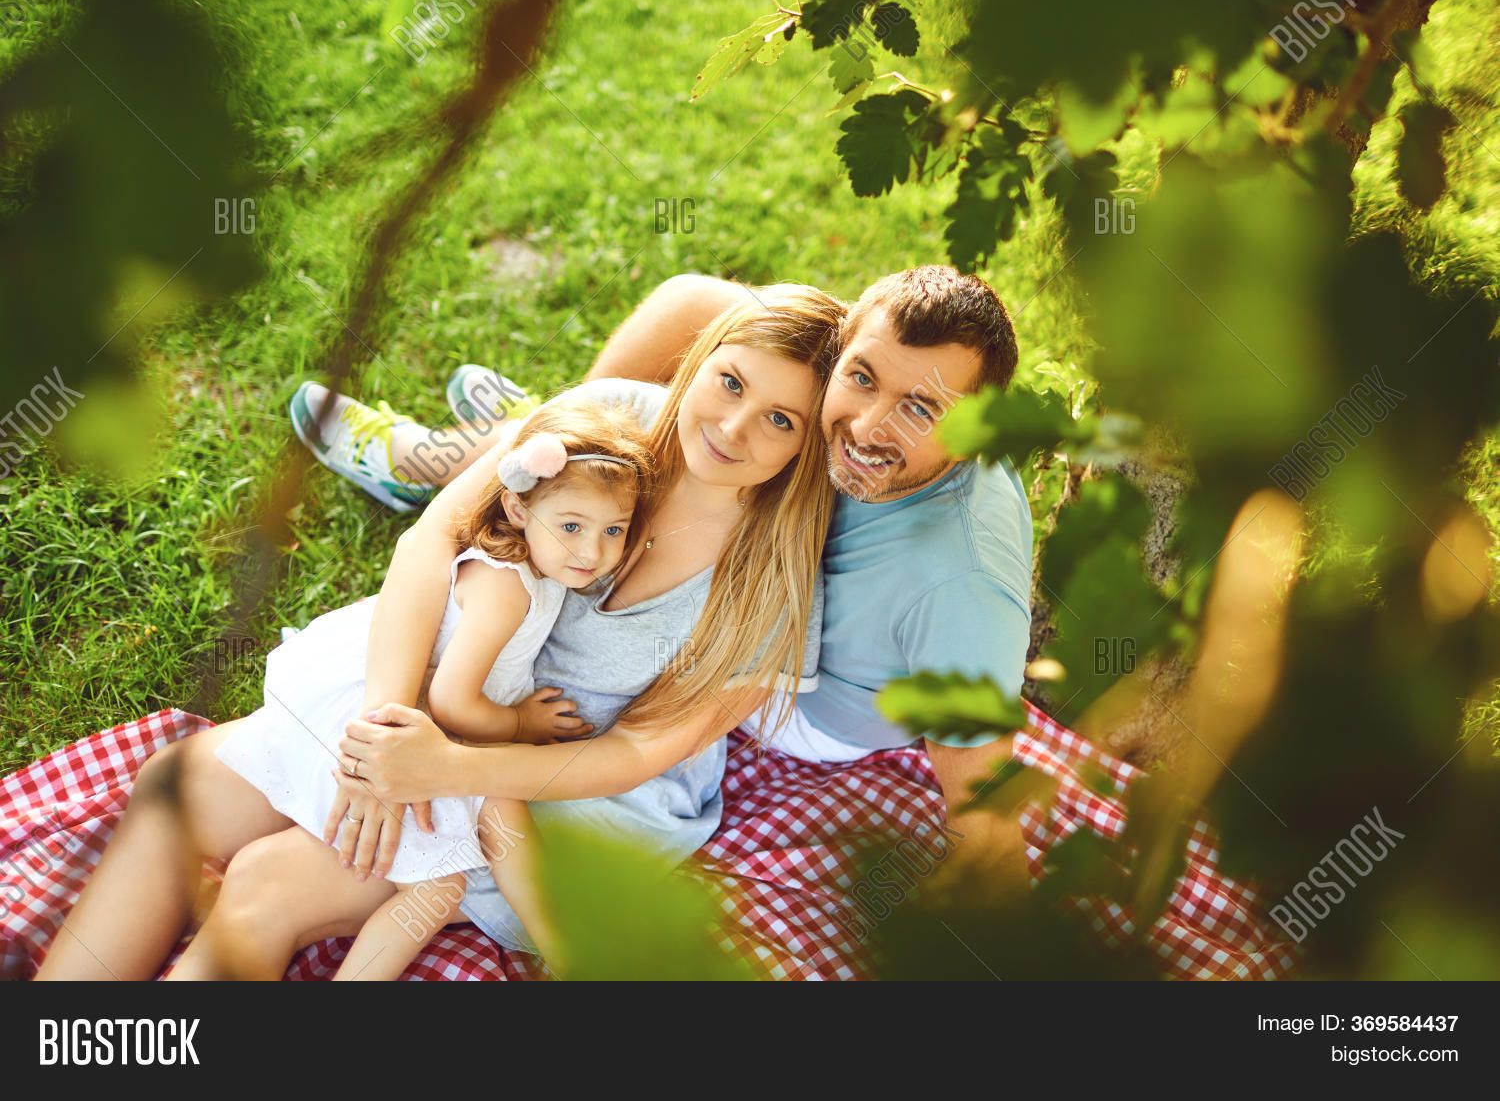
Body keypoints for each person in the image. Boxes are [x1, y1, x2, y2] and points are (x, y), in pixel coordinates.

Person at [35, 285, 842, 980]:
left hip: (563, 792)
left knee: (264, 884)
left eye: (779, 420)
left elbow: (635, 754)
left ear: (809, 447)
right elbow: (433, 539)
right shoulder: (611, 419)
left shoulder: (772, 583)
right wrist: (379, 737)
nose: (734, 427)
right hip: (457, 696)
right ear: (701, 358)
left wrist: (444, 766)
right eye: (730, 382)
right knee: (175, 788)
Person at [315, 267, 1036, 880]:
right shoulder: (831, 395)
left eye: (919, 408)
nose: (870, 426)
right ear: (846, 349)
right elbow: (432, 541)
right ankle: (543, 461)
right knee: (694, 306)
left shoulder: (966, 588)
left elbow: (986, 817)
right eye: (862, 377)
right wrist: (378, 733)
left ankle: (520, 452)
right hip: (730, 509)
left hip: (802, 700)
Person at [213, 399, 654, 978]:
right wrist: (521, 725)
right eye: (571, 526)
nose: (592, 551)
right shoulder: (506, 589)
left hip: (432, 716)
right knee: (452, 870)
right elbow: (451, 701)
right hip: (401, 711)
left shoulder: (540, 568)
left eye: (613, 530)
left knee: (472, 843)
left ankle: (561, 946)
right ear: (518, 509)